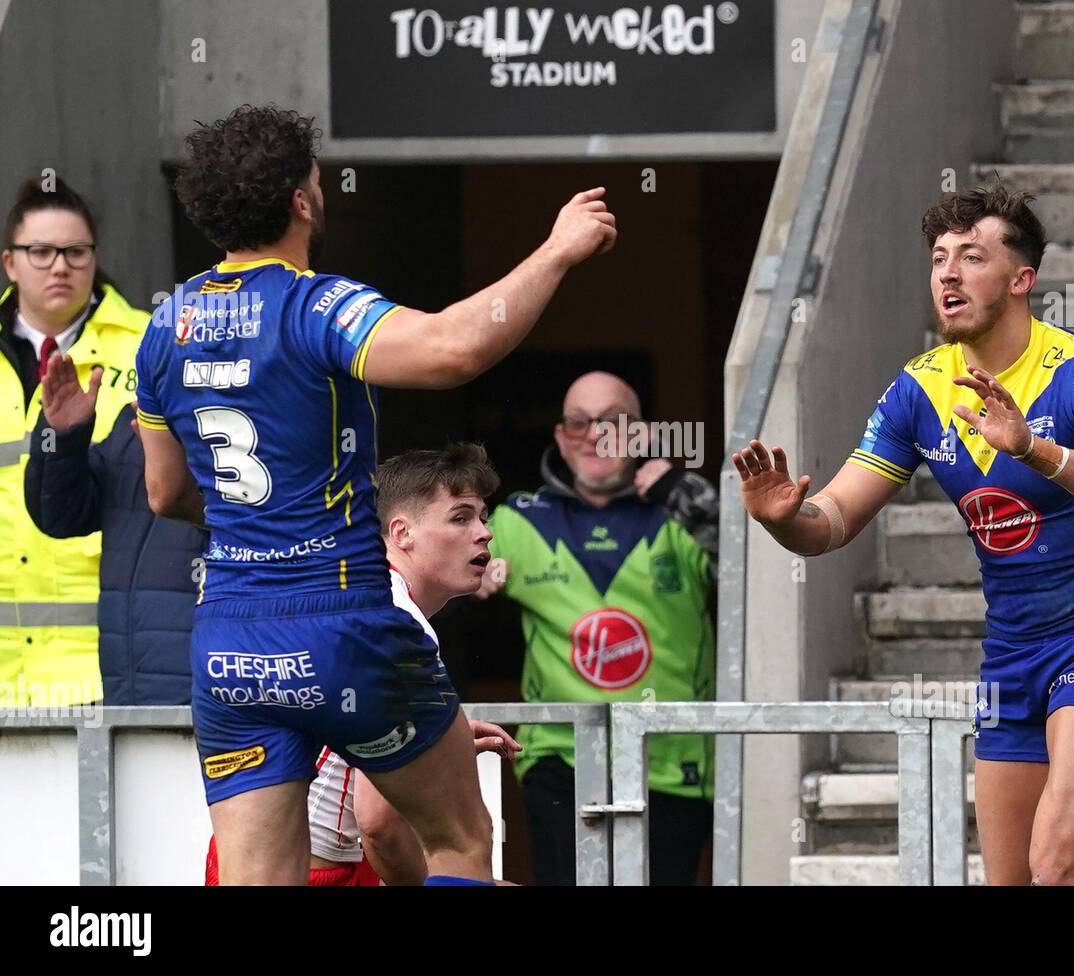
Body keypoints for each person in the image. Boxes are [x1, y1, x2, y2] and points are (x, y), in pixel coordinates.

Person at [134, 104, 615, 885]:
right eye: (317, 180)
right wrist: (557, 252)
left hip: (228, 639)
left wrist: (248, 520)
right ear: (300, 199)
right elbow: (456, 347)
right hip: (342, 621)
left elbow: (164, 492)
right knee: (459, 837)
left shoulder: (166, 328)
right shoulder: (316, 305)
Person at [732, 182, 1074, 886]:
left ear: (1021, 279)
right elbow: (834, 522)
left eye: (972, 257)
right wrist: (786, 521)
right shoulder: (918, 388)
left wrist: (1035, 448)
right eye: (939, 257)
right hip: (1013, 655)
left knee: (1060, 866)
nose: (947, 272)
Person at [203, 446, 524, 886]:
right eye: (461, 517)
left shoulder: (347, 594)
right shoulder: (392, 622)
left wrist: (432, 743)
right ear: (401, 532)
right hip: (321, 870)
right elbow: (378, 824)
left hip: (249, 858)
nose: (484, 533)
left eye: (483, 517)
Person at [476, 371, 717, 885]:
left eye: (612, 421)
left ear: (644, 435)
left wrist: (689, 495)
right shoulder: (519, 521)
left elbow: (758, 579)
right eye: (579, 422)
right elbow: (417, 583)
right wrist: (467, 582)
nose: (594, 435)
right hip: (561, 757)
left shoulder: (681, 514)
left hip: (674, 761)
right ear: (561, 438)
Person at [0, 177, 151, 710]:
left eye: (75, 251)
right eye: (40, 252)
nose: (60, 266)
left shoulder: (148, 347)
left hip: (99, 669)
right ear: (10, 262)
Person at [27, 326, 207, 706]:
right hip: (128, 696)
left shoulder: (249, 422)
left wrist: (176, 457)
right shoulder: (135, 422)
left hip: (210, 701)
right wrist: (64, 435)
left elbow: (253, 522)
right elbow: (61, 515)